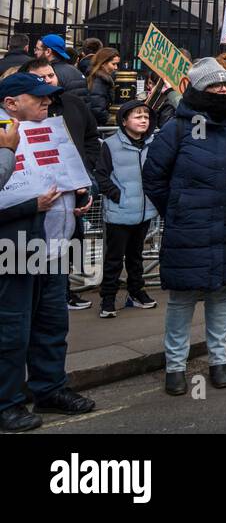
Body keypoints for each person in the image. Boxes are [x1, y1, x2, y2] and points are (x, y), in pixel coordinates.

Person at [142, 58, 226, 395]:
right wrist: (178, 208)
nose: (222, 90)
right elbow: (154, 178)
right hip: (188, 227)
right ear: (197, 88)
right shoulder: (176, 128)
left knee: (220, 296)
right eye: (214, 85)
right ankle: (175, 366)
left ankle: (219, 361)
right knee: (182, 299)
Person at [0, 73, 96, 432]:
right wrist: (30, 206)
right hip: (15, 249)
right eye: (37, 97)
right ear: (11, 103)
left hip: (54, 248)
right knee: (11, 331)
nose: (46, 102)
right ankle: (7, 403)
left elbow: (73, 173)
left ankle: (50, 389)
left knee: (52, 325)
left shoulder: (50, 128)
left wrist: (83, 193)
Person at [22, 58, 98, 311]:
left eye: (50, 76)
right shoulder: (22, 114)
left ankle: (63, 292)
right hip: (36, 200)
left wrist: (86, 176)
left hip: (72, 193)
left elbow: (90, 138)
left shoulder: (74, 104)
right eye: (40, 78)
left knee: (67, 247)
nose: (48, 81)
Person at [93, 100, 158, 318]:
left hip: (143, 211)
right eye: (137, 116)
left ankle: (136, 292)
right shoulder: (110, 145)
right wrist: (117, 195)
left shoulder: (152, 143)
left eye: (146, 117)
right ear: (124, 120)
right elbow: (101, 176)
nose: (143, 120)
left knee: (136, 256)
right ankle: (108, 299)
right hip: (119, 212)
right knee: (114, 258)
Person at [34, 35, 87, 102]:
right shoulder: (76, 70)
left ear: (48, 51)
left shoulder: (49, 74)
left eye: (38, 49)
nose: (35, 52)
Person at [85, 46, 121, 125]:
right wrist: (111, 121)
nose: (116, 67)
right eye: (113, 64)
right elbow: (98, 109)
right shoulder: (99, 81)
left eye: (117, 64)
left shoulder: (100, 79)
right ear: (103, 63)